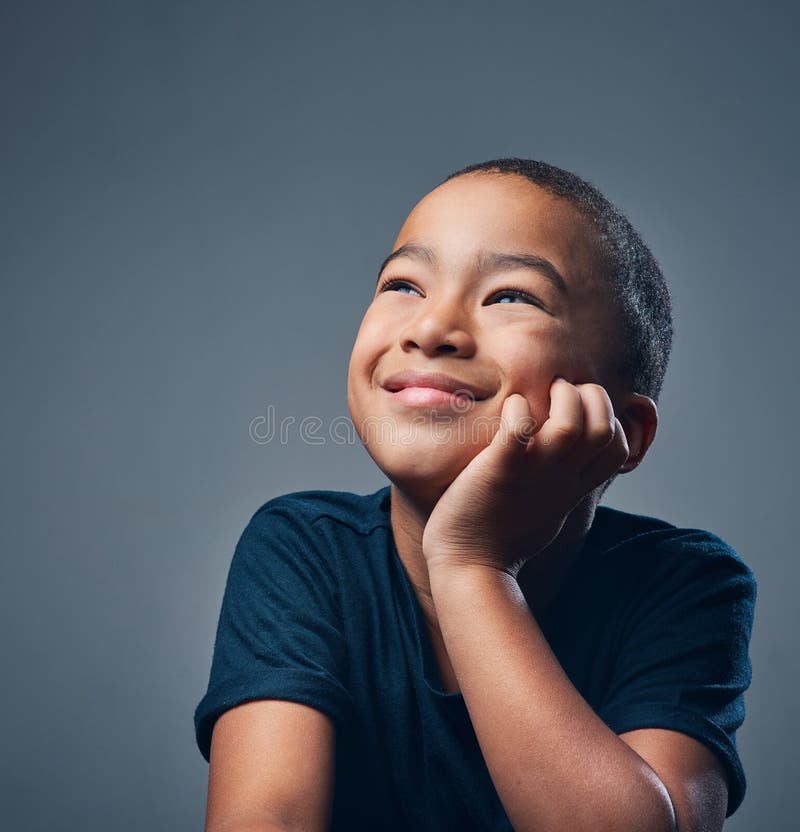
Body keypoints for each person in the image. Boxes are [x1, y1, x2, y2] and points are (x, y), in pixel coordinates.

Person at [194, 158, 756, 832]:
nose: (430, 329)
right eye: (404, 284)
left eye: (509, 297)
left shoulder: (683, 584)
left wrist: (473, 567)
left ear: (624, 429)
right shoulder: (303, 551)